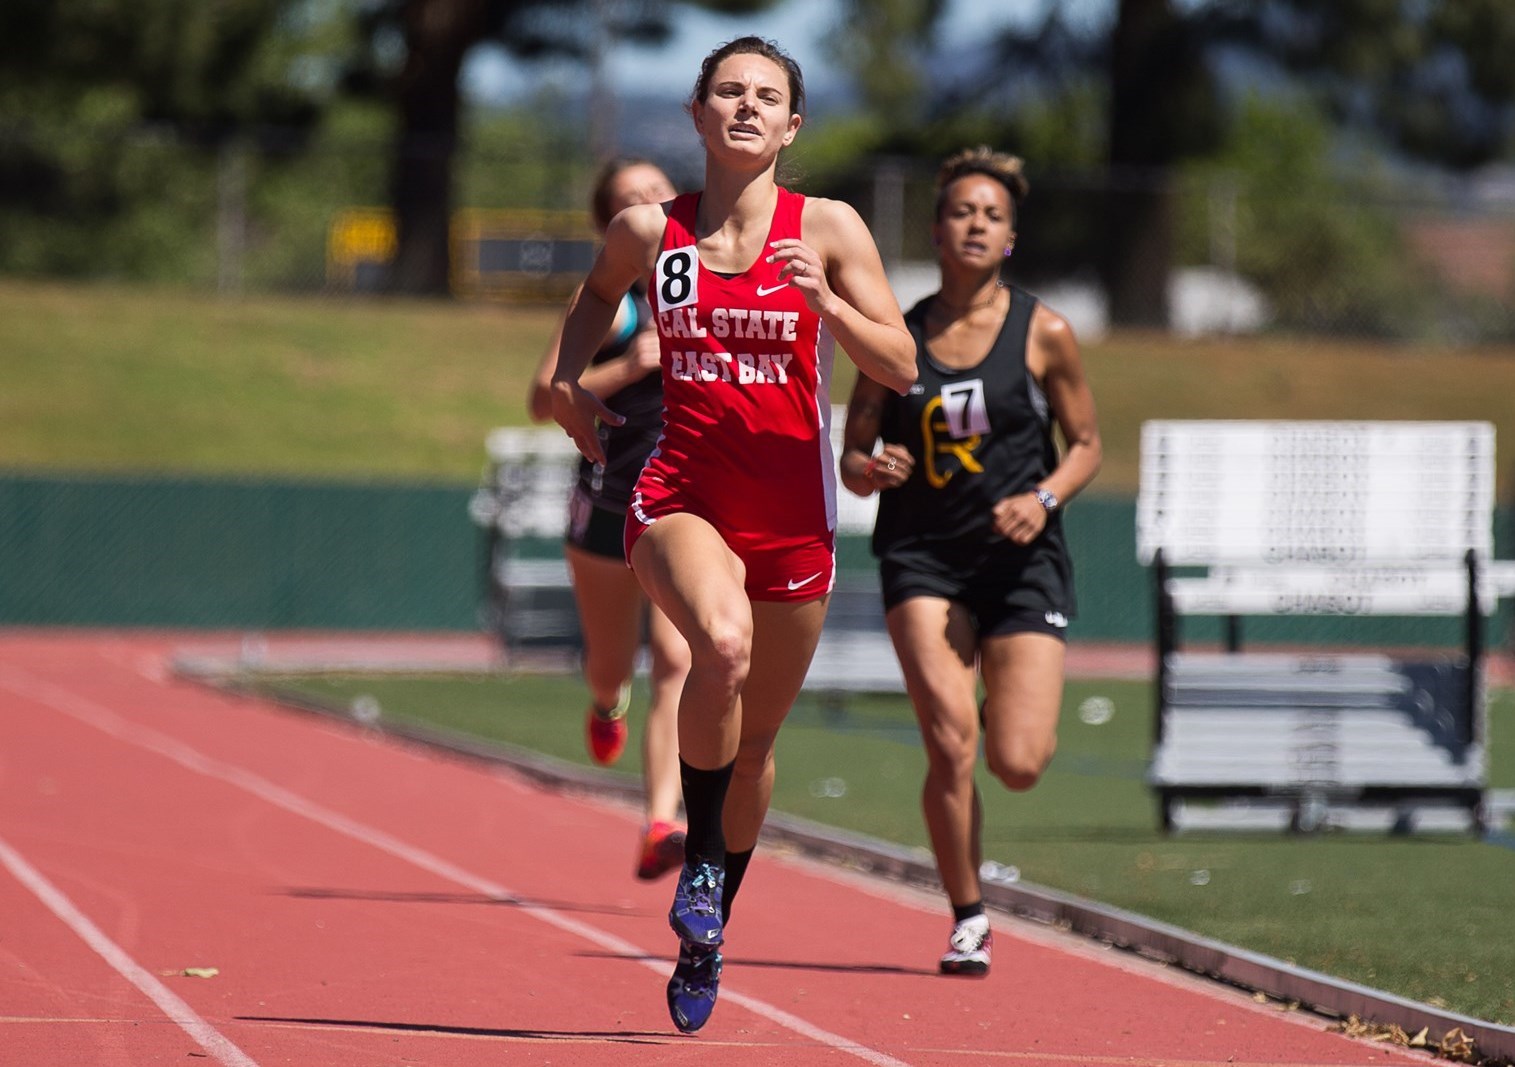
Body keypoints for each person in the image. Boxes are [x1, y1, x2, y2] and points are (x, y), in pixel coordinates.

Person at [550, 36, 916, 1034]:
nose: (747, 108)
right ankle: (701, 858)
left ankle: (705, 918)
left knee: (753, 750)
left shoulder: (828, 228)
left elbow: (904, 361)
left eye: (768, 97)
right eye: (729, 92)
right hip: (680, 498)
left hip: (795, 521)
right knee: (719, 643)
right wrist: (571, 384)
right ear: (696, 112)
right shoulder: (648, 230)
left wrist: (828, 303)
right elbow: (591, 298)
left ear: (793, 126)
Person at [840, 146, 1102, 978]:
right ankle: (967, 914)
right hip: (922, 558)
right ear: (937, 228)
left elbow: (1088, 444)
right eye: (962, 211)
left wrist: (1046, 497)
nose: (976, 224)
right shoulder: (897, 335)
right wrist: (869, 467)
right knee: (950, 743)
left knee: (1016, 762)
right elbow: (851, 450)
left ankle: (1000, 688)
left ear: (1010, 237)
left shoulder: (1045, 332)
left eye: (991, 214)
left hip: (1020, 563)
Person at [527, 157, 691, 882]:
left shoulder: (706, 281)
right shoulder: (612, 303)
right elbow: (541, 398)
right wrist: (630, 365)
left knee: (681, 659)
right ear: (610, 226)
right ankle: (603, 700)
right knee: (611, 661)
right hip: (605, 495)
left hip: (684, 502)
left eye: (659, 192)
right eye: (632, 200)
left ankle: (662, 818)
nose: (650, 206)